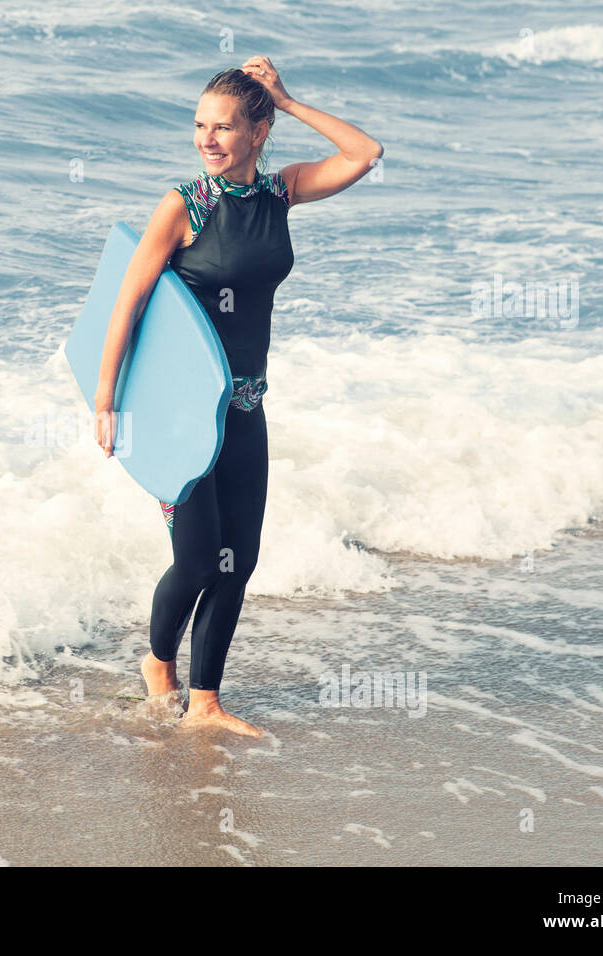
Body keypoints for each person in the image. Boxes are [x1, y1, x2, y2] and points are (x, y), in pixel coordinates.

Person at [92, 57, 382, 736]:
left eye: (224, 126)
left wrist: (289, 97)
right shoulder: (185, 205)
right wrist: (107, 400)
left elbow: (364, 153)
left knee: (237, 561)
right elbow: (128, 300)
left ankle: (207, 701)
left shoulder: (280, 195)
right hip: (182, 413)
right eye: (200, 125)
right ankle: (158, 662)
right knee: (196, 560)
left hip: (246, 407)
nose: (208, 138)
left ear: (259, 130)